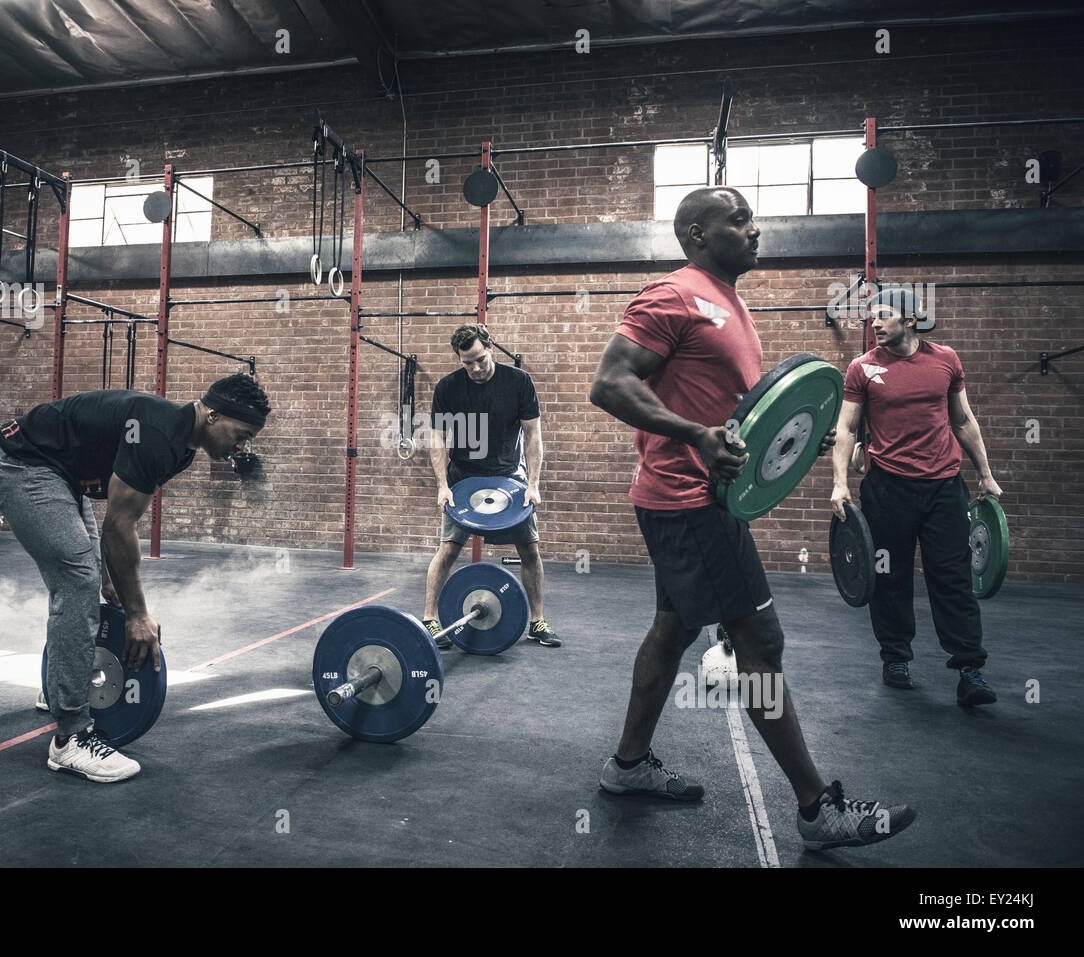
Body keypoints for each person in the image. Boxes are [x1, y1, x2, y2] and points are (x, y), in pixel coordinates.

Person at [588, 186, 915, 850]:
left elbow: (741, 419)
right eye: (738, 219)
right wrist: (697, 436)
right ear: (696, 234)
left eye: (752, 218)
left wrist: (799, 436)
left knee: (673, 629)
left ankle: (627, 765)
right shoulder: (673, 295)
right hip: (688, 502)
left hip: (696, 498)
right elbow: (610, 382)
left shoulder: (730, 303)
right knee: (759, 641)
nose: (755, 229)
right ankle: (816, 805)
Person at [0, 374, 270, 782]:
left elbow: (120, 517)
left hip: (59, 475)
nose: (242, 446)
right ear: (212, 414)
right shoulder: (158, 433)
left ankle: (64, 683)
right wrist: (137, 614)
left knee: (96, 578)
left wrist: (117, 584)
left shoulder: (182, 444)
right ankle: (70, 739)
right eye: (241, 434)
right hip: (20, 464)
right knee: (79, 578)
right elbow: (118, 526)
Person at [830, 287, 1000, 705]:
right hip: (888, 488)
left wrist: (986, 474)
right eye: (872, 316)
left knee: (953, 578)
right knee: (889, 576)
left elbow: (963, 420)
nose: (874, 322)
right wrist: (840, 483)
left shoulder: (946, 360)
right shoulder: (862, 368)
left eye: (883, 315)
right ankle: (896, 658)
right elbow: (846, 430)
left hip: (944, 486)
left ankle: (969, 669)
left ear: (910, 319)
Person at [424, 324, 559, 647]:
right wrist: (442, 485)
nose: (475, 368)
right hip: (463, 478)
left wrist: (533, 484)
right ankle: (429, 619)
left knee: (529, 549)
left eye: (480, 359)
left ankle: (537, 621)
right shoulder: (448, 387)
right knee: (448, 548)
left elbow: (533, 435)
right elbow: (438, 438)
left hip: (509, 477)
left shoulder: (519, 382)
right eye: (466, 362)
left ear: (490, 347)